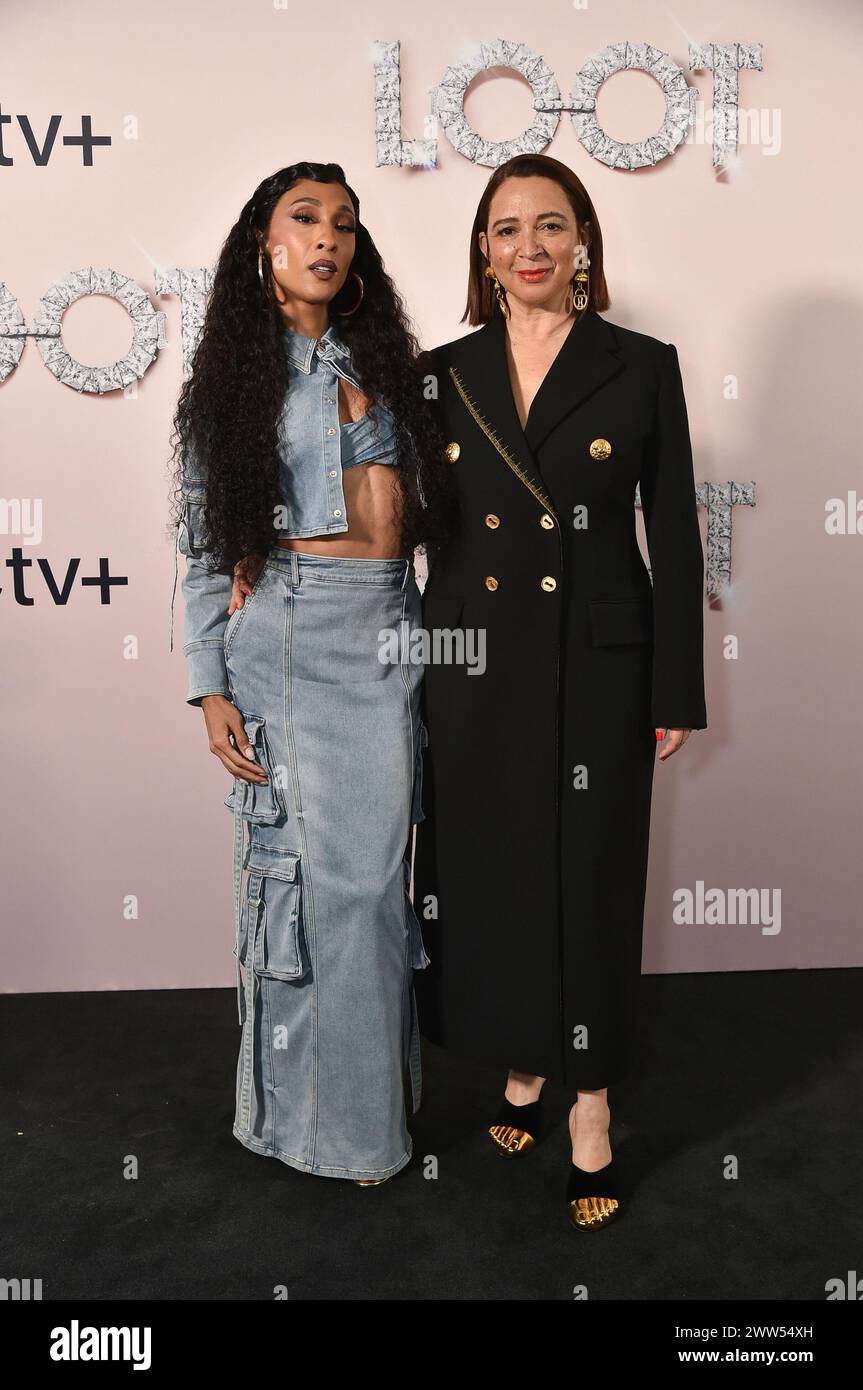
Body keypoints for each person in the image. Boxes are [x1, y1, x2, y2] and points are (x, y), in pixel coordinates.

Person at [412, 153, 707, 1229]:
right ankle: (519, 1066)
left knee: (585, 873)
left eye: (549, 225)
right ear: (481, 254)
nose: (527, 247)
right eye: (505, 230)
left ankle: (588, 1101)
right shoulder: (437, 373)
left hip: (597, 660)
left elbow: (669, 534)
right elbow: (413, 534)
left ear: (582, 241)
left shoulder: (639, 365)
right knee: (488, 866)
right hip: (475, 657)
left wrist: (673, 681)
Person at [168, 161, 453, 1185]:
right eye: (303, 219)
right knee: (312, 890)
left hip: (392, 636)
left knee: (378, 891)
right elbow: (203, 550)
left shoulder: (391, 363)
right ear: (263, 244)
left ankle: (370, 1113)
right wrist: (210, 687)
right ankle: (322, 1134)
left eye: (343, 222)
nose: (326, 237)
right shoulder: (232, 388)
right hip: (289, 644)